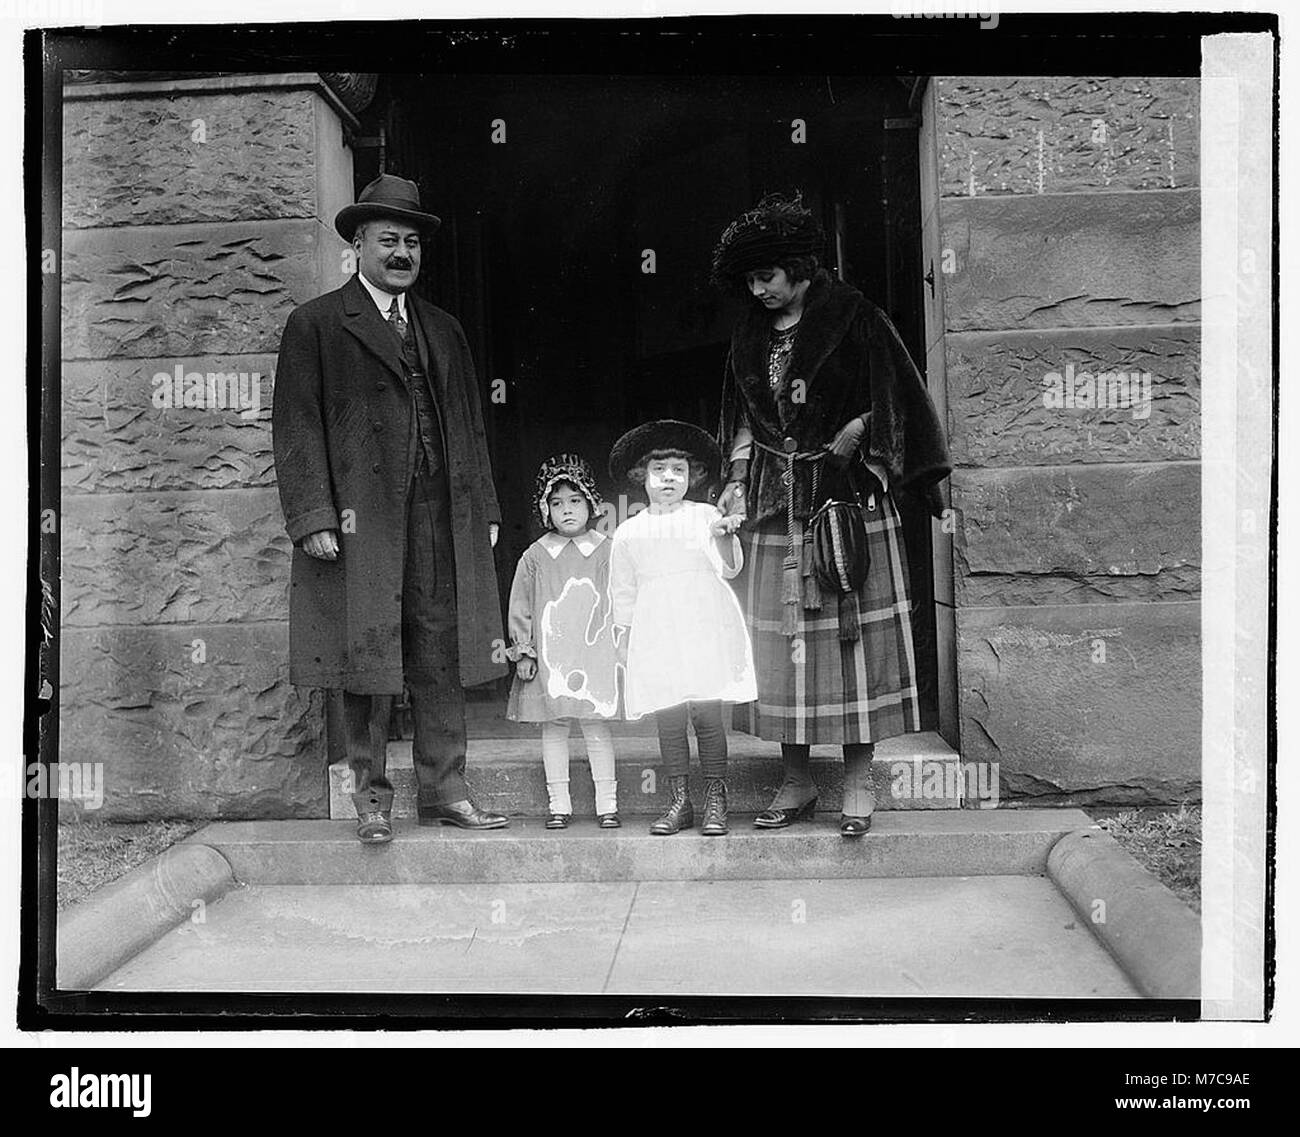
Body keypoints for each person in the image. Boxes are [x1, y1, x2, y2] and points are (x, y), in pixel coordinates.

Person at [272, 173, 509, 844]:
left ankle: (447, 790)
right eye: (388, 240)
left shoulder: (443, 329)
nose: (402, 253)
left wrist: (482, 506)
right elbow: (295, 427)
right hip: (358, 520)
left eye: (412, 242)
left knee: (439, 649)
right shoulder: (316, 324)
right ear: (358, 245)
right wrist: (313, 514)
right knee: (365, 657)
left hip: (439, 513)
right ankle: (369, 800)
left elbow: (466, 423)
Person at [712, 192, 951, 837]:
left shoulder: (856, 318)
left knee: (852, 651)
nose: (758, 290)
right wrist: (734, 481)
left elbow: (901, 397)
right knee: (780, 651)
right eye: (750, 280)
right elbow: (739, 422)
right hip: (773, 507)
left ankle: (855, 781)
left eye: (767, 276)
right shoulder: (747, 337)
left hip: (845, 505)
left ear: (799, 268)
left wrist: (862, 432)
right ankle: (794, 783)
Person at [608, 420, 757, 836]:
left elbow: (730, 569)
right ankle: (679, 801)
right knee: (669, 717)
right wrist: (623, 637)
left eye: (678, 470)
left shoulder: (707, 516)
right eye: (659, 471)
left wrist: (726, 537)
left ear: (692, 476)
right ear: (643, 477)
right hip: (656, 631)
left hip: (703, 626)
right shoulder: (629, 531)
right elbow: (622, 591)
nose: (669, 478)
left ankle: (715, 800)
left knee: (708, 715)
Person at [505, 454, 621, 830]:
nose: (567, 510)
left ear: (590, 502)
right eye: (557, 504)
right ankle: (559, 803)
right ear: (545, 509)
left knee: (595, 726)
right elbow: (520, 604)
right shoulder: (536, 556)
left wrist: (621, 646)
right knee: (554, 727)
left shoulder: (606, 550)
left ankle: (608, 803)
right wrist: (524, 650)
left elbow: (621, 598)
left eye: (575, 501)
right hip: (552, 660)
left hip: (594, 654)